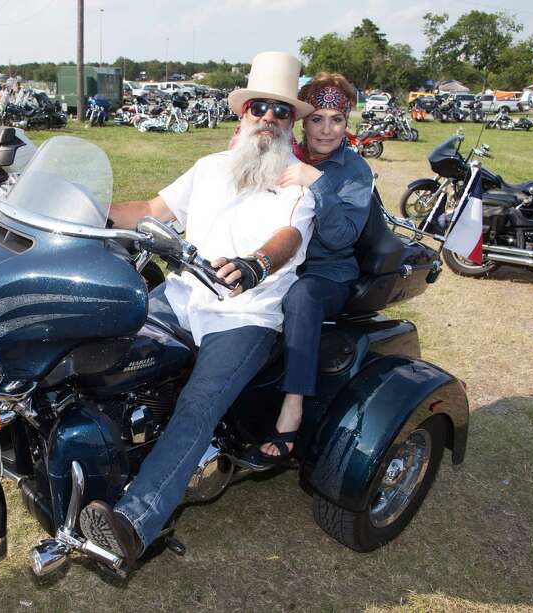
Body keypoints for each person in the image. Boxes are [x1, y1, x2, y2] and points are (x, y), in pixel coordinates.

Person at [78, 51, 317, 572]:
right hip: (183, 298)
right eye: (260, 108)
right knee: (96, 344)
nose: (269, 119)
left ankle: (134, 523)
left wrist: (256, 264)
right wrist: (79, 210)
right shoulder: (211, 169)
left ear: (291, 123)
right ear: (243, 112)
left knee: (198, 405)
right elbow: (147, 212)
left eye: (281, 111)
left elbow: (289, 237)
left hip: (246, 315)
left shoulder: (299, 185)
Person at [241, 73, 374, 465]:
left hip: (325, 275)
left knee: (301, 296)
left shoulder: (354, 171)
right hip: (278, 264)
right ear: (303, 121)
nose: (327, 129)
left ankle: (292, 407)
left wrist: (318, 183)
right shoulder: (282, 152)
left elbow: (340, 238)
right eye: (317, 118)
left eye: (337, 119)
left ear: (348, 123)